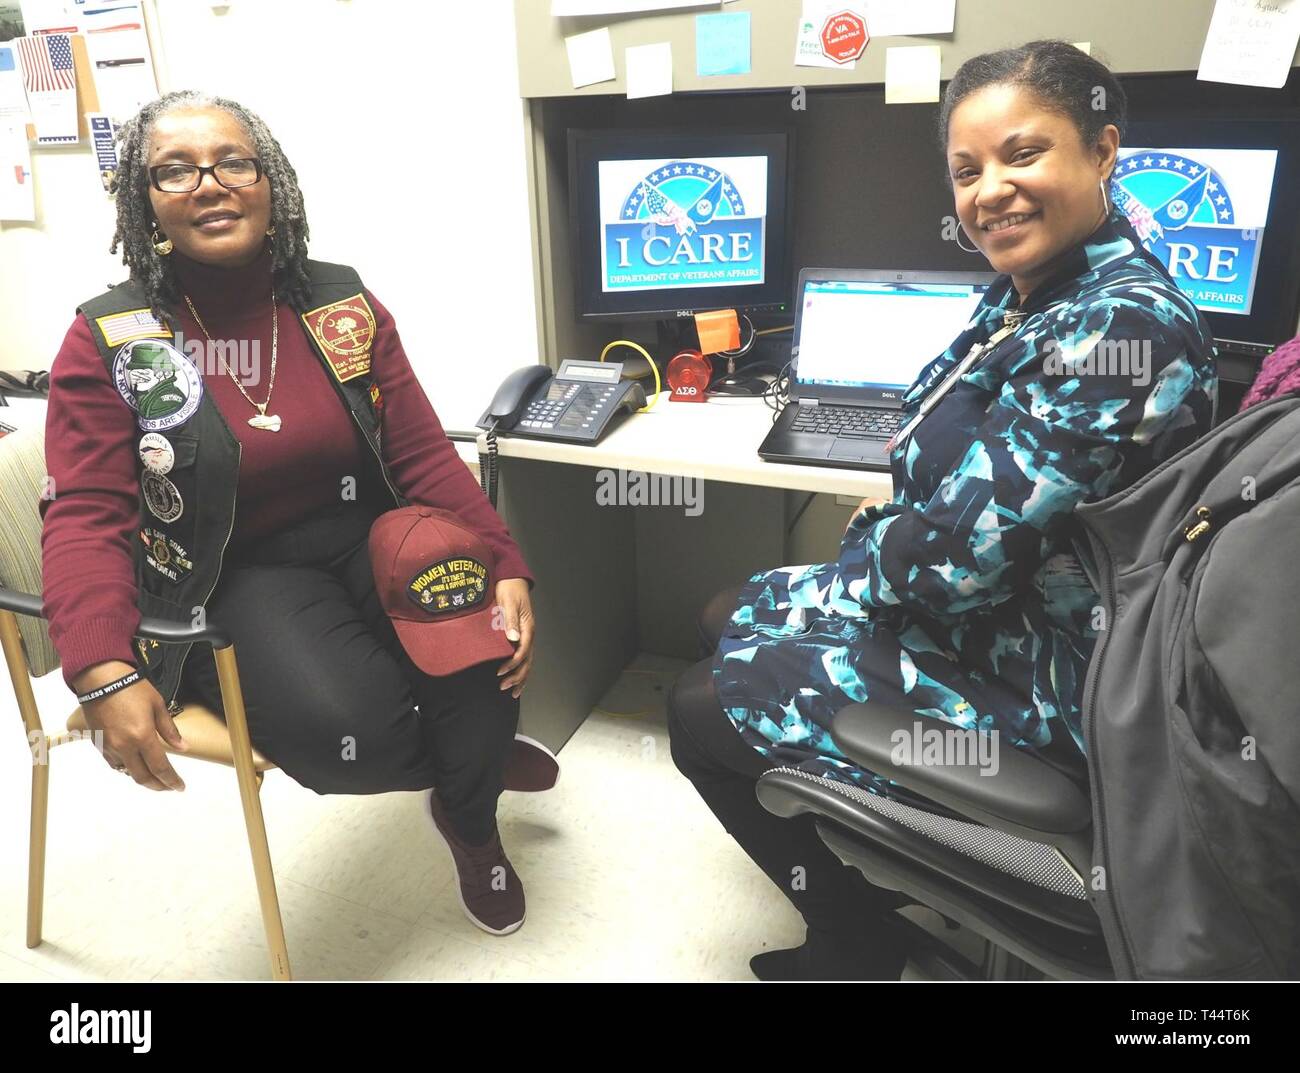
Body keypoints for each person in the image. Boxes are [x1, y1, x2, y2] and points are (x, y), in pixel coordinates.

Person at [668, 40, 1219, 980]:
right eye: (967, 172)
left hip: (1056, 680)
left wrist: (871, 547)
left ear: (1103, 150)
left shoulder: (1118, 330)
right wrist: (892, 539)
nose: (989, 191)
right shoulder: (1033, 295)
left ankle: (862, 940)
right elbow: (957, 491)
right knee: (728, 610)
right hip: (1000, 616)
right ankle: (872, 873)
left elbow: (953, 570)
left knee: (698, 705)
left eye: (1023, 153)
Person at [40, 90, 542, 937]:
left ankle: (470, 812)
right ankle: (473, 761)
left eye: (234, 161)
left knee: (487, 658)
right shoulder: (113, 340)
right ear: (145, 200)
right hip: (232, 571)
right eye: (175, 169)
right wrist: (101, 669)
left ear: (271, 181)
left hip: (371, 540)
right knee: (361, 740)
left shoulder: (339, 303)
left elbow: (420, 452)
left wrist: (506, 560)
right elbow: (88, 516)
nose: (210, 184)